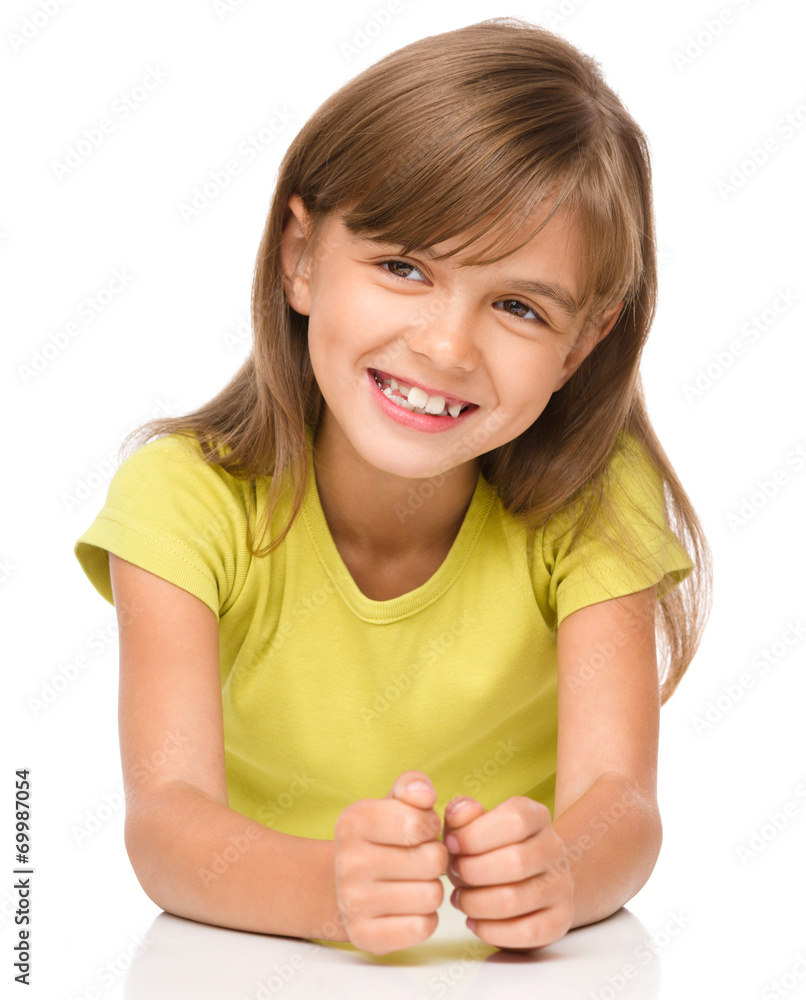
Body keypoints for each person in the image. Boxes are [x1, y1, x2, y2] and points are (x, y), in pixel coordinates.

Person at [74, 16, 711, 957]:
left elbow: (621, 803)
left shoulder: (595, 498)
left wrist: (562, 871)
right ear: (300, 257)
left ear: (584, 342)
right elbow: (166, 824)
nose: (446, 348)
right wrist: (325, 891)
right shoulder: (182, 501)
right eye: (403, 266)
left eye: (518, 307)